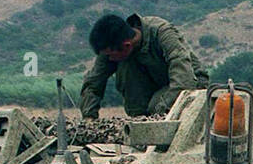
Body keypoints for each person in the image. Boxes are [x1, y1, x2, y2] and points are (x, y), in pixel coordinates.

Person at [80, 13, 208, 119]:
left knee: (155, 105)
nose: (108, 60)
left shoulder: (162, 33)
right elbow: (93, 84)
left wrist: (157, 112)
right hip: (151, 90)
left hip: (189, 85)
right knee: (126, 69)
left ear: (127, 46)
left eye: (110, 56)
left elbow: (184, 81)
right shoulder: (112, 47)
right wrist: (89, 118)